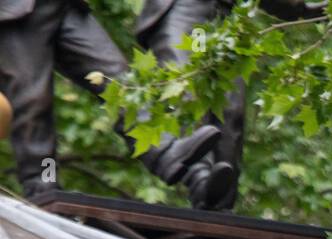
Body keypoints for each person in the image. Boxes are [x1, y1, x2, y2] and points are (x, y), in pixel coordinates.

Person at [0, 0, 221, 200]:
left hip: (65, 7)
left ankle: (168, 153)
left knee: (119, 80)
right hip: (14, 11)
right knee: (34, 101)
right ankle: (42, 186)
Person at [135, 0, 323, 210]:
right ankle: (200, 178)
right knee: (187, 94)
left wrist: (302, 9)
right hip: (183, 11)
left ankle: (220, 200)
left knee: (232, 113)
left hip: (227, 23)